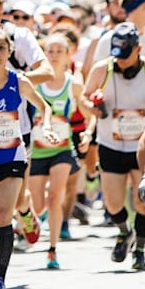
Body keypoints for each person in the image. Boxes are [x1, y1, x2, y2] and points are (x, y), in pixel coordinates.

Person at [0, 27, 58, 289]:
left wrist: (47, 125)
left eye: (1, 48)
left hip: (12, 155)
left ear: (10, 52)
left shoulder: (19, 81)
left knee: (4, 215)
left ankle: (0, 280)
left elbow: (44, 106)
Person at [85, 22, 145, 271]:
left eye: (125, 55)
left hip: (143, 146)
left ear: (138, 49)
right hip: (111, 144)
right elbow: (84, 95)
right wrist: (93, 105)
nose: (120, 61)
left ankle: (140, 250)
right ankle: (124, 232)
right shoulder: (103, 70)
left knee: (143, 201)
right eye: (117, 55)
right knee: (112, 204)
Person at [29, 32, 85, 269]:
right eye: (49, 51)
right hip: (36, 150)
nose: (53, 56)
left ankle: (52, 249)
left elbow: (87, 111)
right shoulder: (35, 82)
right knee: (38, 205)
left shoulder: (74, 83)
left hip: (62, 149)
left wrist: (89, 132)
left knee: (54, 198)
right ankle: (31, 219)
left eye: (59, 51)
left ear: (68, 55)